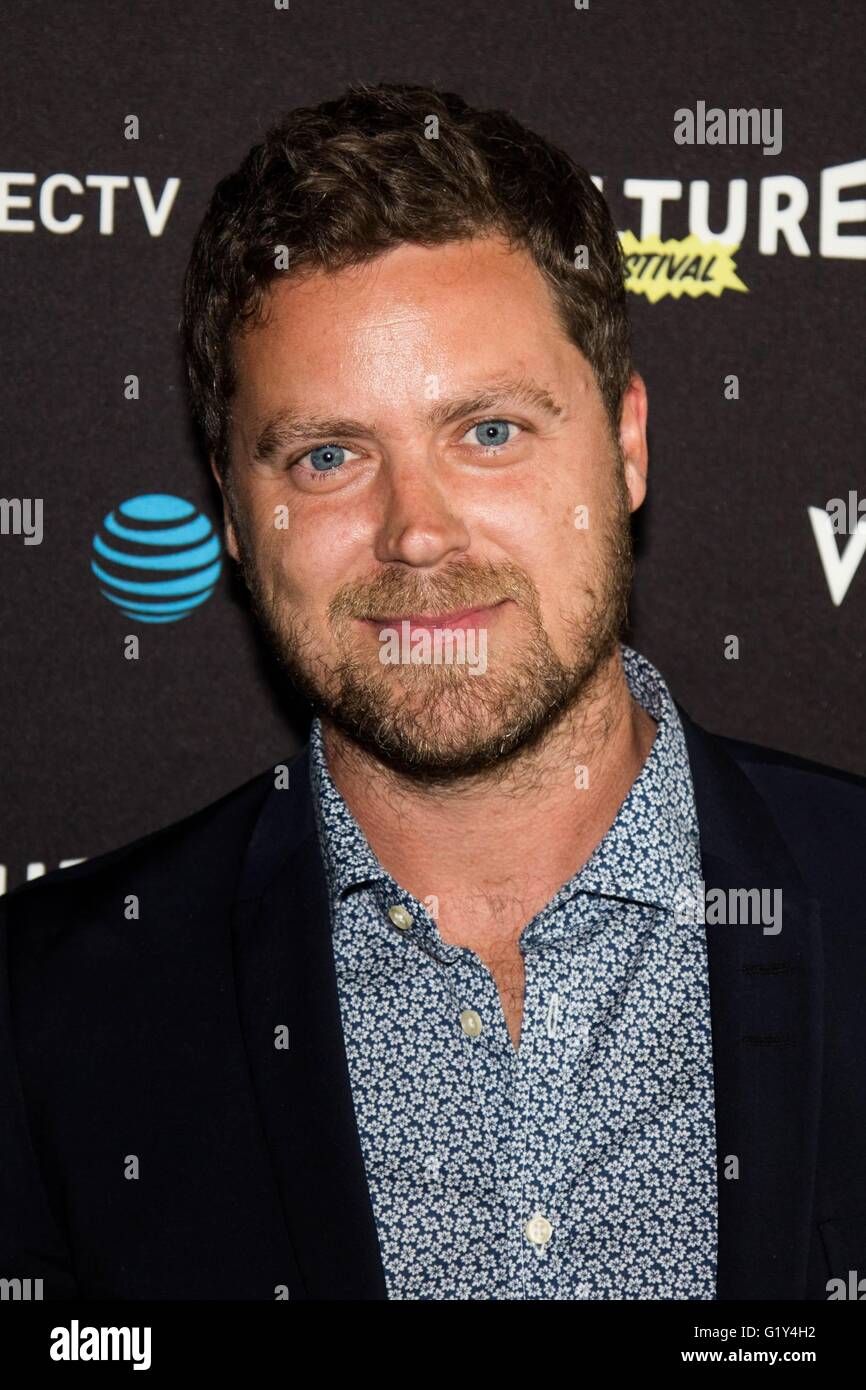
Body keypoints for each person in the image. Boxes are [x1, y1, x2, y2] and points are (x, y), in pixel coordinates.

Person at [2, 82, 865, 1302]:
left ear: (624, 446)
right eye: (328, 455)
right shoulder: (50, 1019)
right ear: (237, 521)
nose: (416, 534)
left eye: (490, 432)